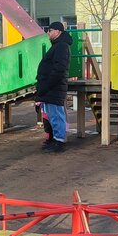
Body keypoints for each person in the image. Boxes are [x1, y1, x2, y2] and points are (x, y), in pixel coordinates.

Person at [36, 21, 72, 152]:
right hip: (52, 87)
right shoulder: (58, 46)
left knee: (56, 115)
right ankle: (55, 139)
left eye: (50, 30)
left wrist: (47, 84)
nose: (48, 33)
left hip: (54, 87)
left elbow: (59, 69)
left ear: (57, 31)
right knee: (52, 115)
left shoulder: (61, 46)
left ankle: (59, 141)